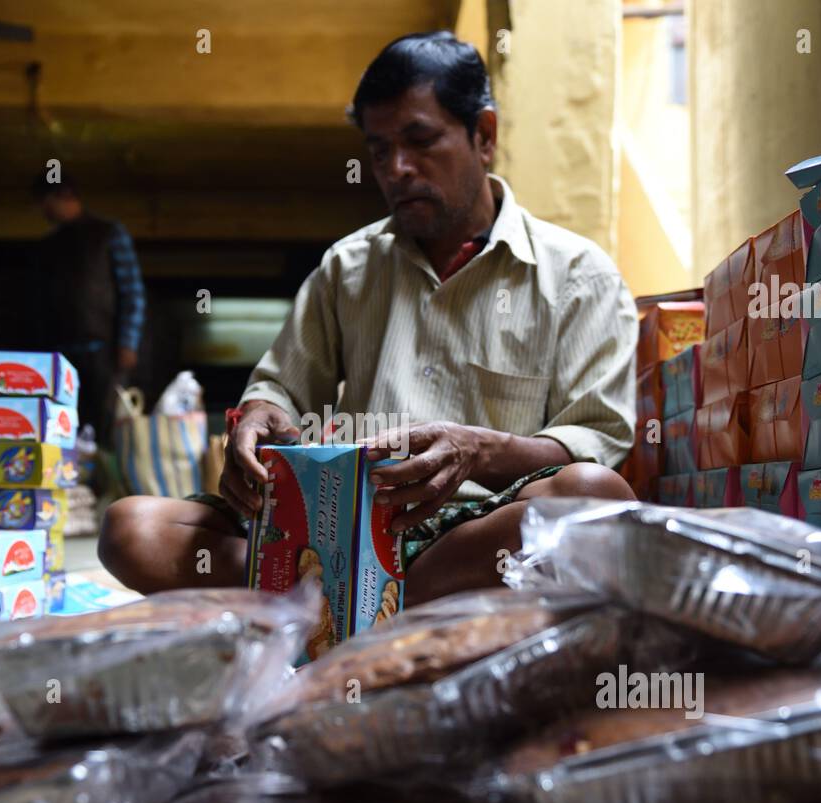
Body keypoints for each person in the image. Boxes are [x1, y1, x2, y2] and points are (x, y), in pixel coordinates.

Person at [99, 31, 637, 607]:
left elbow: (596, 442)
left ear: (484, 136)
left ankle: (328, 602)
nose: (397, 168)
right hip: (336, 528)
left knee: (593, 497)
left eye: (420, 140)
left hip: (477, 532)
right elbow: (282, 387)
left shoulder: (580, 276)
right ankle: (375, 599)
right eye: (379, 151)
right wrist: (258, 417)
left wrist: (478, 450)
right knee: (131, 530)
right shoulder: (347, 268)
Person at [32, 174, 145, 442]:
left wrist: (128, 343)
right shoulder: (50, 245)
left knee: (107, 425)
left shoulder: (108, 233)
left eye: (45, 202)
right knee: (65, 424)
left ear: (63, 196)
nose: (43, 211)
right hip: (64, 353)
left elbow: (133, 291)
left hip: (105, 350)